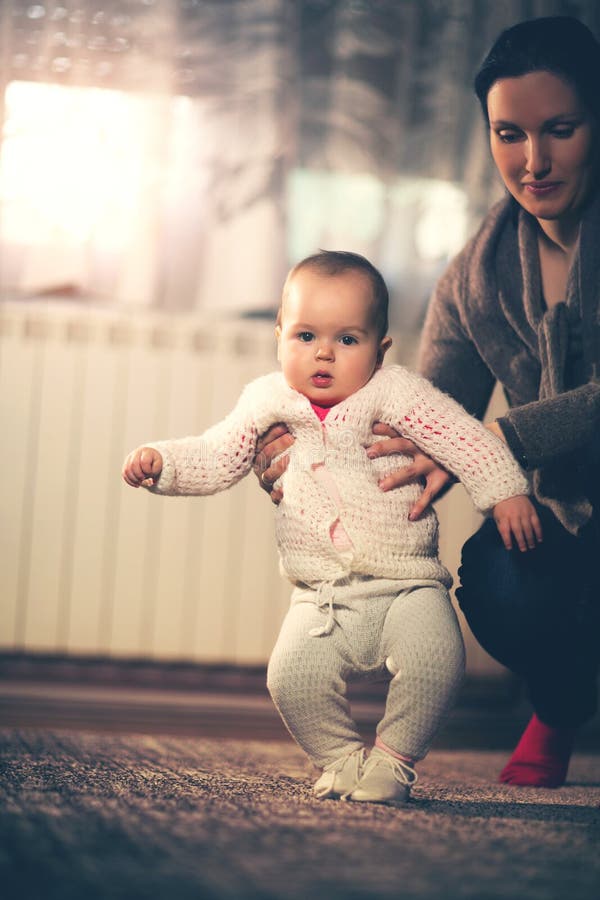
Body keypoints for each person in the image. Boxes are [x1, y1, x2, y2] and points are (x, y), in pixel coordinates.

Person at [257, 16, 600, 789]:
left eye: (561, 130)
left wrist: (503, 440)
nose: (534, 161)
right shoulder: (477, 274)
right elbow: (419, 416)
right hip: (563, 513)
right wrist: (307, 445)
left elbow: (495, 434)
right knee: (495, 579)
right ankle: (561, 702)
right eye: (509, 134)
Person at [123, 250, 537, 806]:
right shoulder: (267, 399)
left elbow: (459, 434)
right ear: (278, 336)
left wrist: (505, 491)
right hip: (322, 596)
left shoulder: (393, 390)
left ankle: (393, 761)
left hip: (406, 584)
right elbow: (218, 453)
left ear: (379, 350)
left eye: (347, 339)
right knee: (290, 678)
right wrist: (163, 463)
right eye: (305, 336)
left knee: (437, 661)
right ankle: (340, 759)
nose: (324, 353)